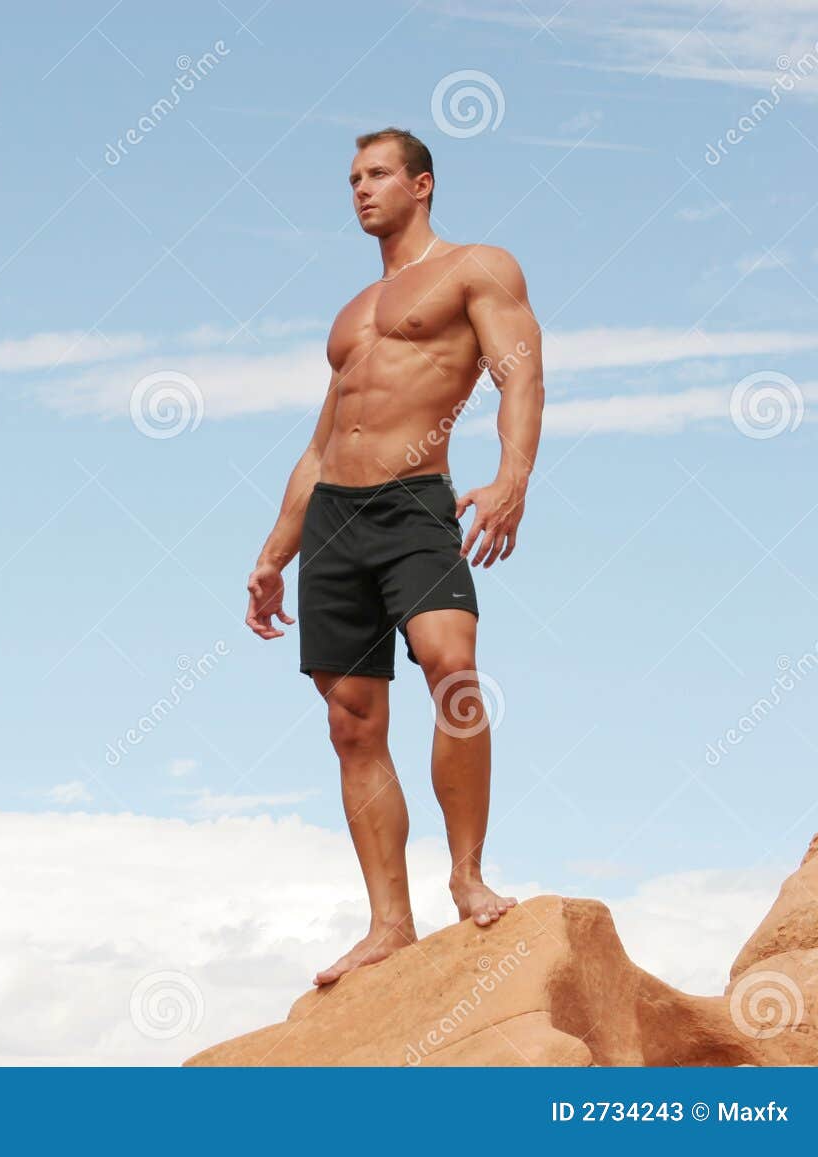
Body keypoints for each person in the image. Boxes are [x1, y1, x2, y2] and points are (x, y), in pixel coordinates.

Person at [244, 127, 545, 986]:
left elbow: (520, 371)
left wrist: (512, 477)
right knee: (351, 724)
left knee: (452, 666)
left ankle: (468, 873)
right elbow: (321, 442)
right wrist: (272, 555)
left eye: (377, 175)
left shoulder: (477, 268)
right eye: (351, 179)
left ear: (423, 184)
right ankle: (388, 923)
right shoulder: (349, 317)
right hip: (334, 514)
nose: (361, 190)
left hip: (416, 503)